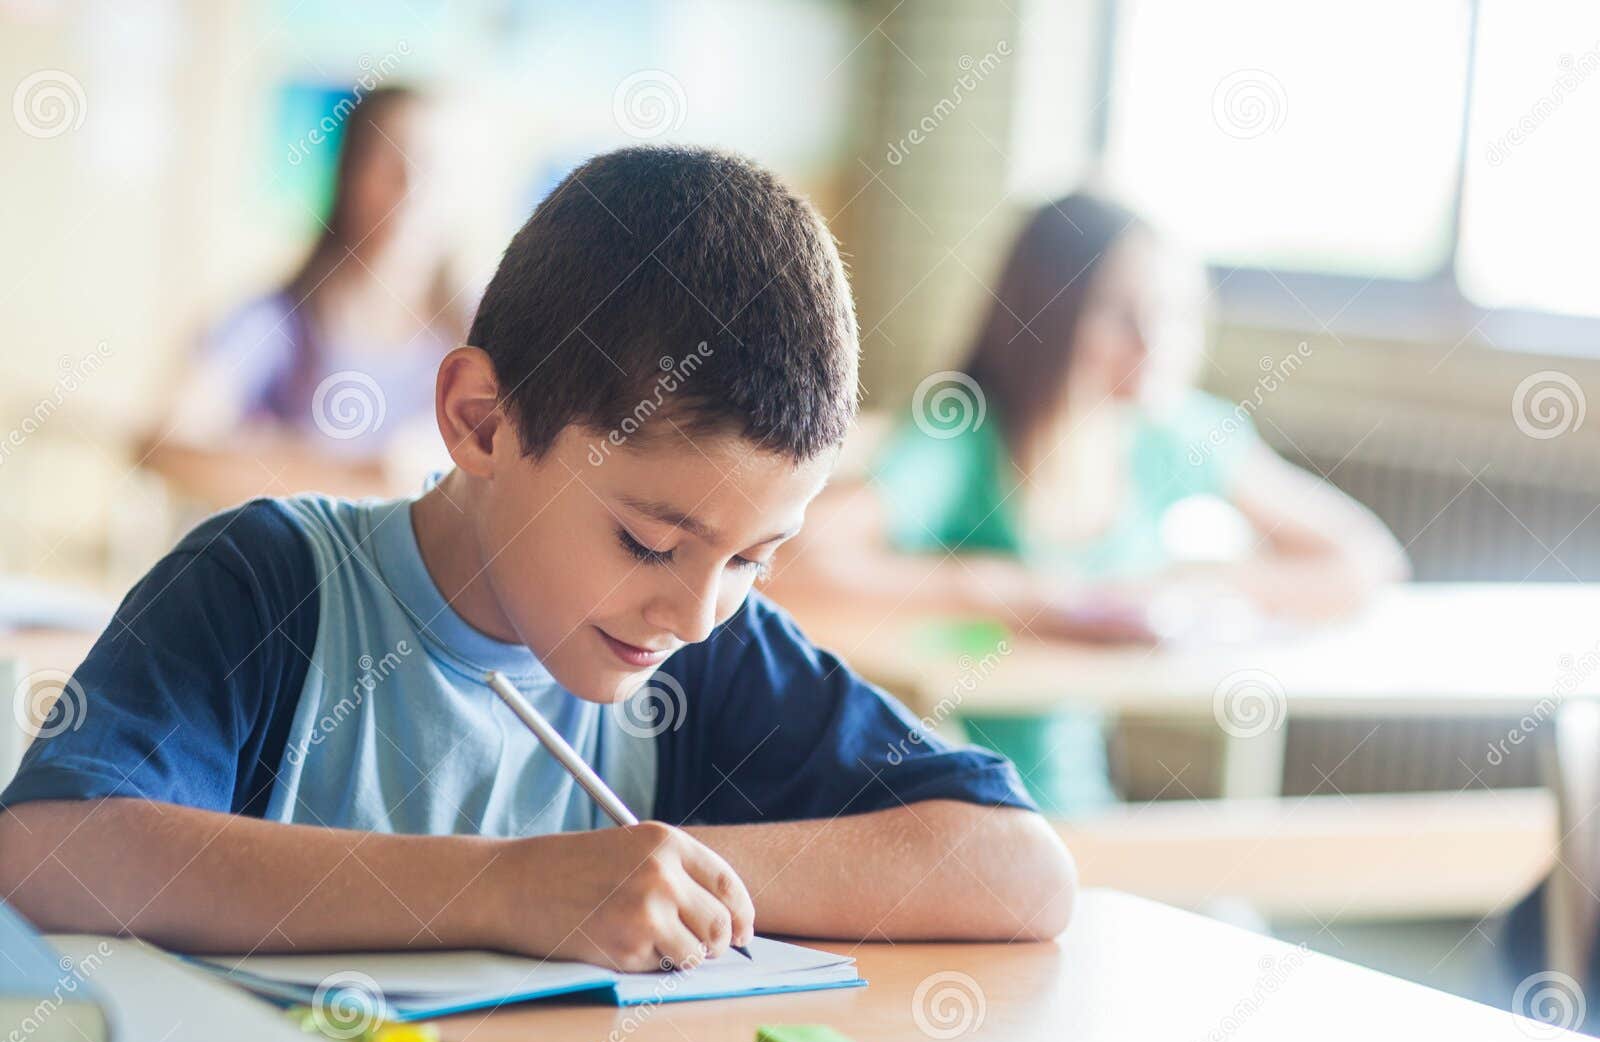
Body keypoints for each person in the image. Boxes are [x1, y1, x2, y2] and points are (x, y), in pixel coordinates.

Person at [0, 147, 1075, 967]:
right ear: (478, 422)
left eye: (756, 556)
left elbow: (1020, 869)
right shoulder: (269, 581)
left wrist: (656, 878)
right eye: (647, 539)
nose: (700, 607)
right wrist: (504, 887)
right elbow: (49, 848)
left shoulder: (694, 651)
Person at [770, 193, 1408, 813]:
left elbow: (1362, 558)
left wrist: (1185, 587)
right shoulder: (964, 436)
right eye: (1118, 313)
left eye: (1174, 312)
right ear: (1046, 311)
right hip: (946, 801)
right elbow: (798, 557)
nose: (1154, 341)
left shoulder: (1174, 434)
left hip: (1079, 804)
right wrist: (1013, 592)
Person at [145, 86, 465, 506]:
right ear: (347, 174)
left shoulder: (479, 335)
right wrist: (360, 480)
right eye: (390, 161)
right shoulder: (274, 322)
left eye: (431, 168)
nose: (410, 188)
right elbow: (161, 446)